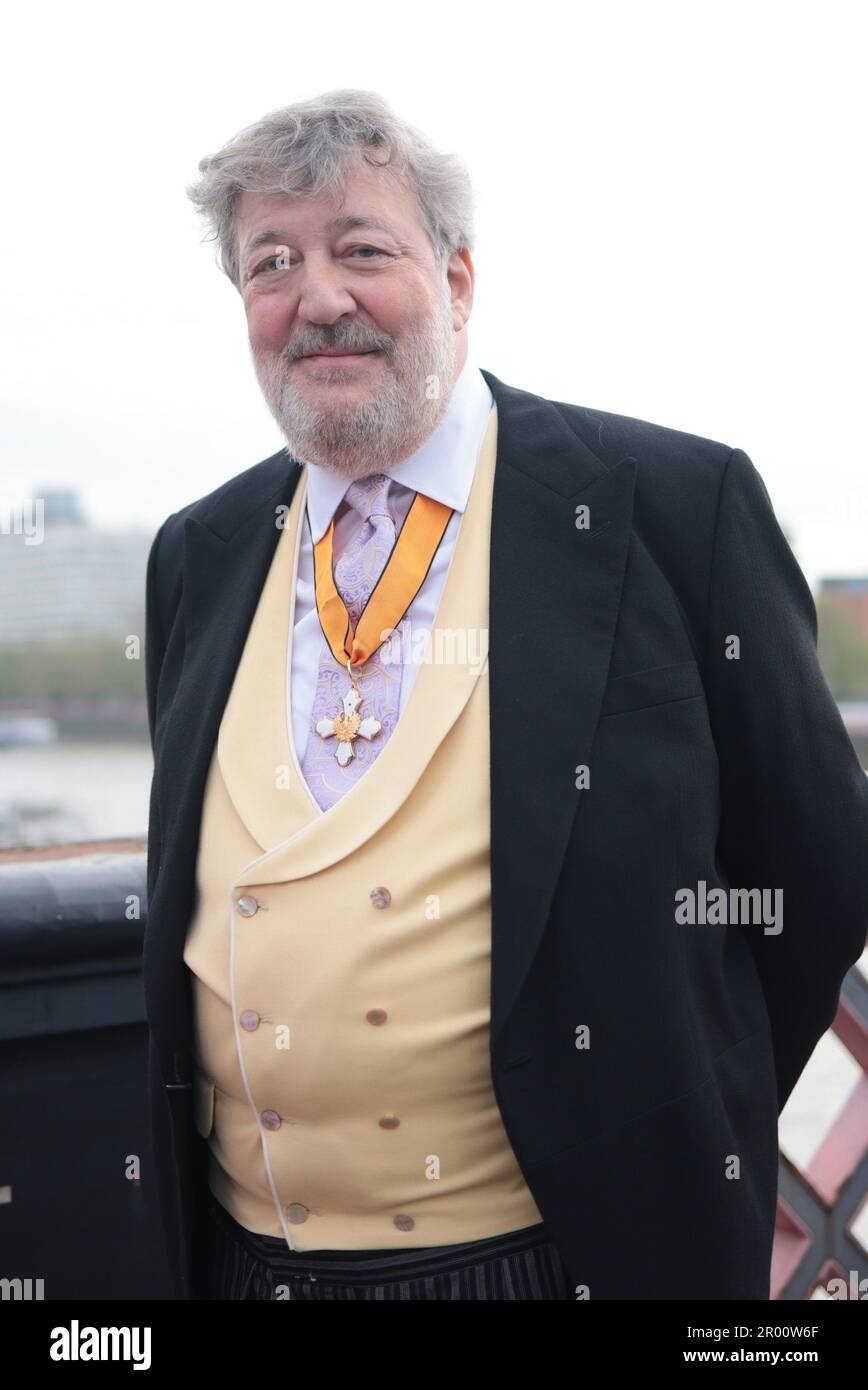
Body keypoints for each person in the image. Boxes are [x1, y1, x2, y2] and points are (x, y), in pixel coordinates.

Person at [143, 88, 868, 1301]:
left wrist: (683, 1103)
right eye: (273, 262)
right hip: (244, 1266)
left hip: (560, 1261)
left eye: (361, 249)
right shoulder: (198, 550)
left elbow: (818, 859)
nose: (317, 295)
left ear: (459, 278)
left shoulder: (673, 505)